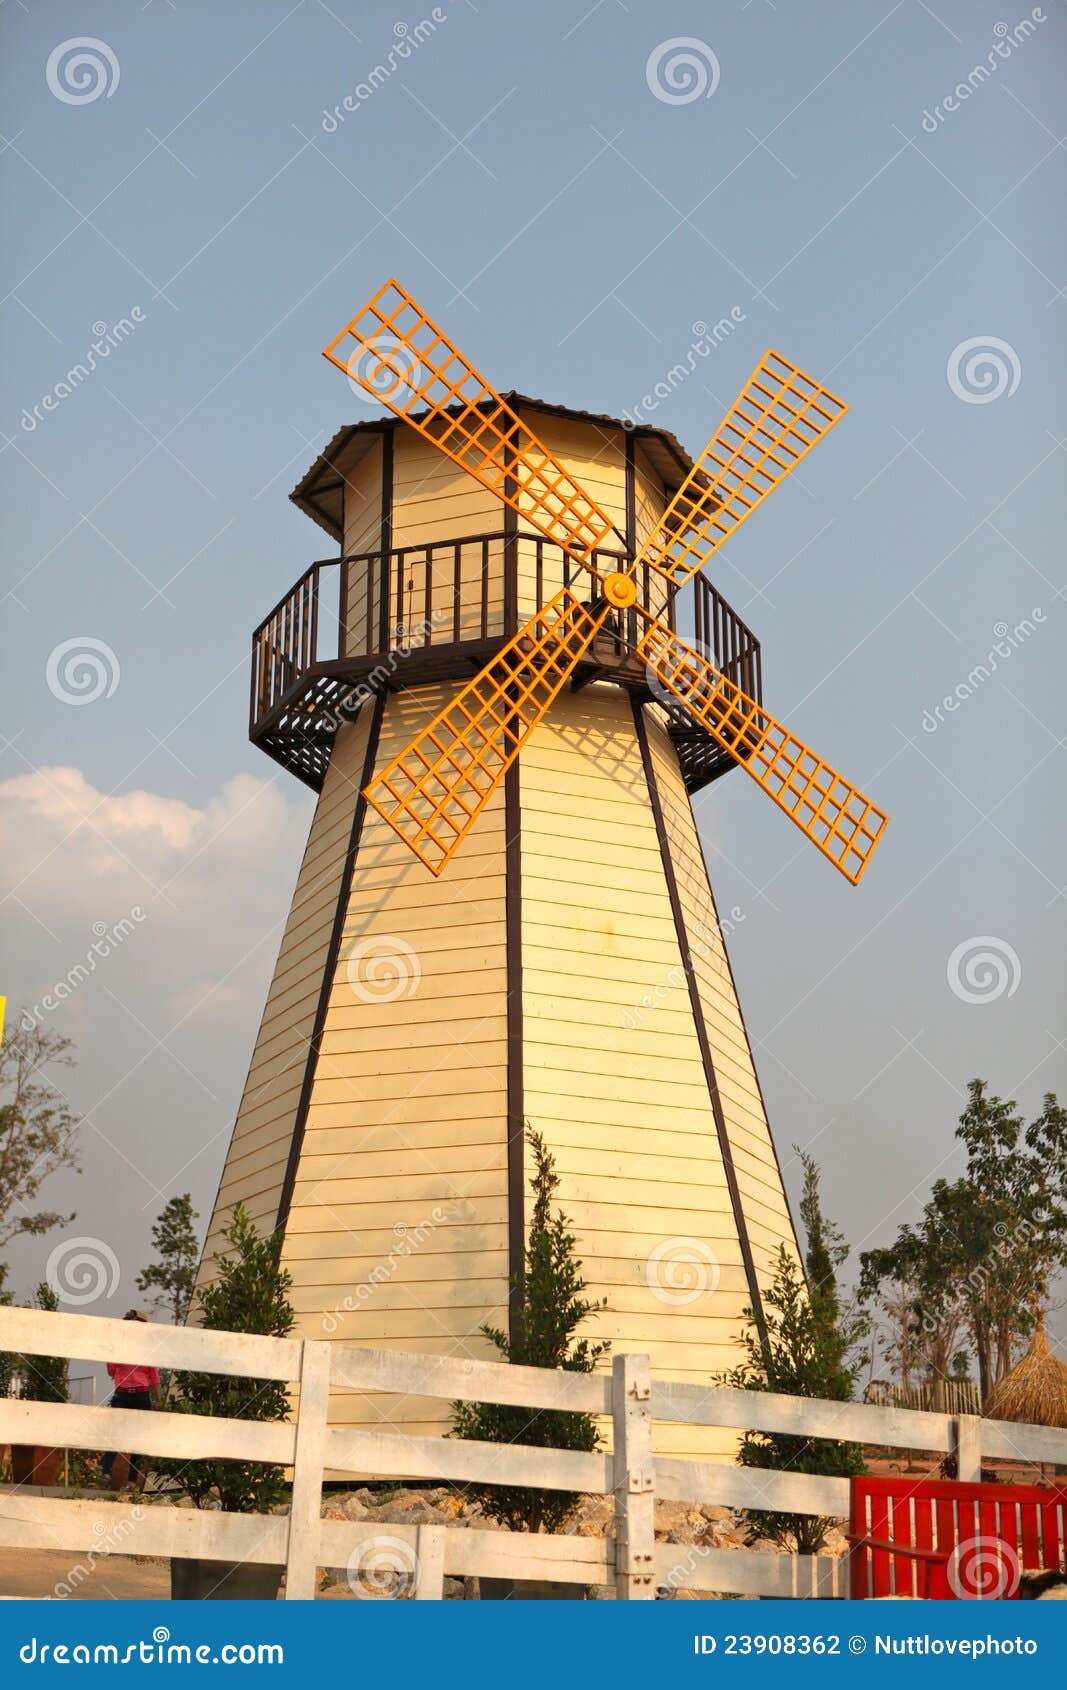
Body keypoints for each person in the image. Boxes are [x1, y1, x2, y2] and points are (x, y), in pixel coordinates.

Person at [102, 1310, 160, 1491]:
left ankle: (108, 1472)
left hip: (124, 1393)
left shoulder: (120, 1346)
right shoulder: (147, 1348)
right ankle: (131, 1480)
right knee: (137, 1437)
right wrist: (158, 1399)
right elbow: (154, 1376)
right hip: (140, 1394)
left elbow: (111, 1371)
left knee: (115, 1433)